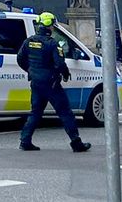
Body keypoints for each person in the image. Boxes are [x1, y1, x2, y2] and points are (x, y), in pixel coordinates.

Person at [15, 12, 92, 153]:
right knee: (65, 112)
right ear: (49, 27)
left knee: (35, 112)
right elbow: (60, 63)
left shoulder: (29, 42)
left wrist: (31, 71)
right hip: (51, 84)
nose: (52, 28)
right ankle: (76, 142)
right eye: (52, 26)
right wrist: (65, 74)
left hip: (36, 83)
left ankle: (25, 141)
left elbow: (20, 59)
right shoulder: (52, 44)